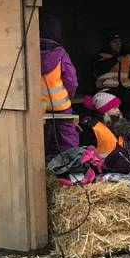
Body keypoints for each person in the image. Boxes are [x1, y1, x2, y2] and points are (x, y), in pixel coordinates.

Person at [40, 16, 79, 158]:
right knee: (68, 137)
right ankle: (71, 165)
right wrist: (71, 95)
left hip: (38, 107)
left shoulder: (29, 52)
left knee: (39, 140)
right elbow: (71, 79)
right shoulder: (60, 53)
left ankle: (42, 167)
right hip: (61, 105)